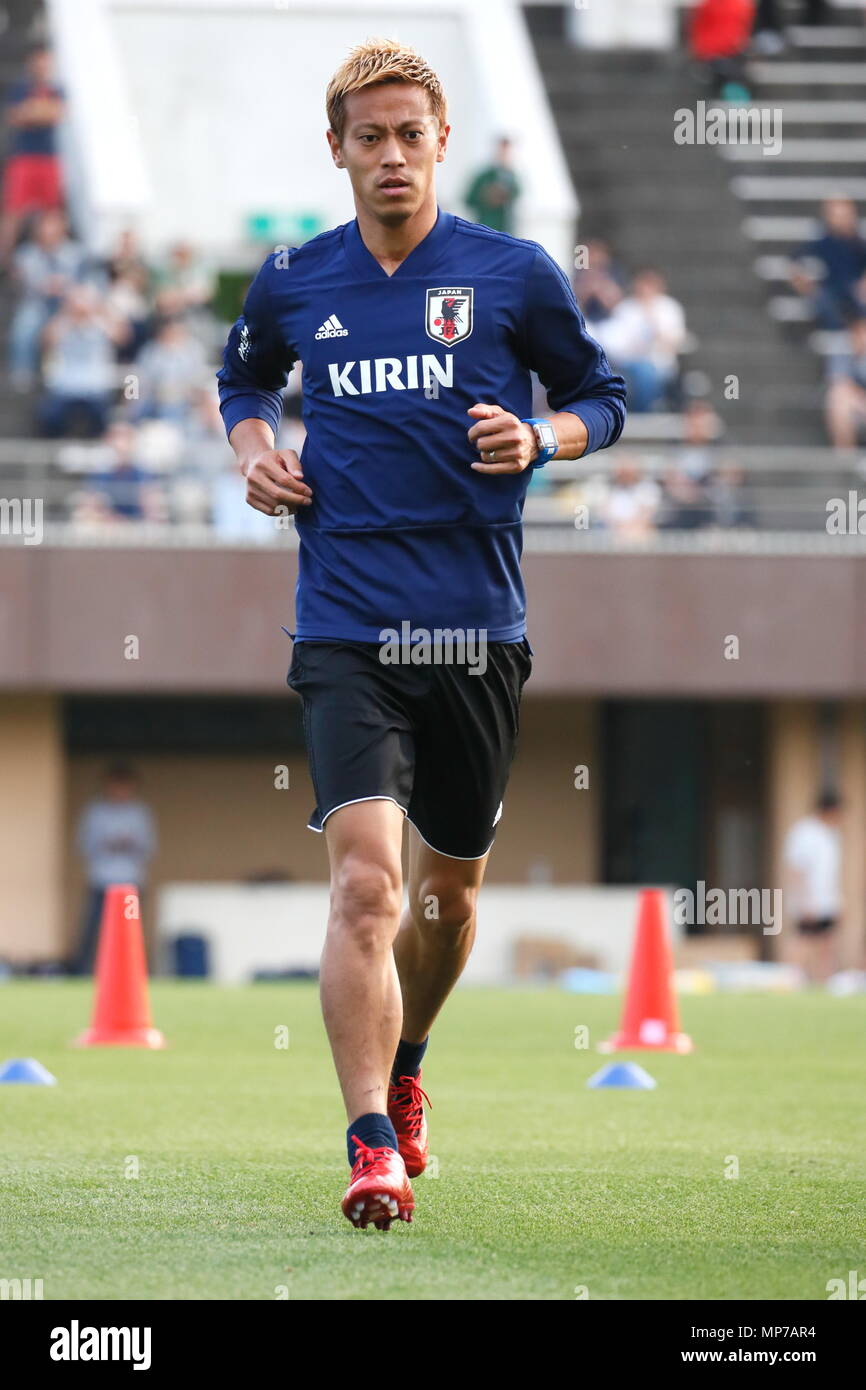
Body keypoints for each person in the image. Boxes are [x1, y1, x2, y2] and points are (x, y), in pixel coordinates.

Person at [217, 37, 626, 1230]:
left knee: (445, 901)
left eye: (409, 134)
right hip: (345, 627)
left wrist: (543, 442)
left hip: (475, 636)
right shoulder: (294, 278)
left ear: (440, 142)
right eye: (368, 137)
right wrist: (254, 452)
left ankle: (408, 1072)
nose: (390, 155)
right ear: (336, 150)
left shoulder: (513, 274)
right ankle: (364, 1146)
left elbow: (602, 396)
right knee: (363, 887)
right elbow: (242, 380)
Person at [73, 765, 157, 975]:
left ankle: (133, 972)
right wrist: (107, 843)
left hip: (131, 883)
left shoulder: (140, 813)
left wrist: (129, 844)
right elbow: (83, 845)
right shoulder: (95, 812)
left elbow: (149, 847)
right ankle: (83, 972)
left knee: (131, 930)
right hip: (101, 882)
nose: (120, 790)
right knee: (92, 931)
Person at [0, 45, 65, 265]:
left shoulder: (56, 89)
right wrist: (40, 110)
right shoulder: (20, 88)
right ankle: (4, 259)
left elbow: (57, 113)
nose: (42, 67)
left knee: (51, 210)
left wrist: (32, 111)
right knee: (13, 210)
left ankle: (51, 255)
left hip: (48, 158)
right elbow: (16, 116)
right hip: (24, 157)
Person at [7, 208, 87, 389]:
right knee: (26, 324)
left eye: (54, 226)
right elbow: (26, 285)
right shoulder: (25, 254)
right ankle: (22, 372)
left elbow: (82, 283)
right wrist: (46, 286)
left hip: (67, 304)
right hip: (37, 303)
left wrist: (65, 287)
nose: (49, 231)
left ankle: (66, 375)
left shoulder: (76, 253)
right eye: (45, 226)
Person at [596, 268, 687, 411]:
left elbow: (675, 339)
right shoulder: (626, 308)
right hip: (630, 362)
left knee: (647, 373)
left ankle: (645, 412)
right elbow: (617, 342)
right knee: (642, 371)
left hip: (661, 364)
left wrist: (652, 319)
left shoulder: (669, 307)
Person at [783, 793, 842, 985]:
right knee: (803, 940)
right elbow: (797, 869)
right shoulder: (805, 832)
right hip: (808, 901)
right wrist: (804, 901)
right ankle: (791, 979)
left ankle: (823, 981)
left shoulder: (831, 835)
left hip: (826, 901)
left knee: (827, 944)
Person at [791, 199, 866, 332]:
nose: (843, 220)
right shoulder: (820, 243)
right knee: (826, 306)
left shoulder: (858, 244)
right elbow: (796, 263)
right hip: (829, 292)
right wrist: (807, 287)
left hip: (853, 292)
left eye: (846, 215)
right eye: (838, 215)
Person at [824, 313, 866, 451]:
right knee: (838, 396)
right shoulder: (843, 349)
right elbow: (840, 382)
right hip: (855, 409)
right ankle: (845, 459)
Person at [464, 136, 520, 235]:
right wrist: (486, 197)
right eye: (501, 150)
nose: (504, 154)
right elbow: (468, 200)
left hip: (507, 231)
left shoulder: (513, 177)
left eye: (506, 151)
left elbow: (518, 195)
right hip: (486, 229)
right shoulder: (483, 177)